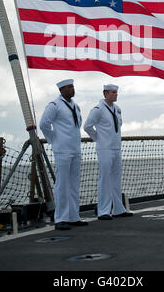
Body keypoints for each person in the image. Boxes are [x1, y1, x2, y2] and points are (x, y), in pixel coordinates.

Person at [39, 79, 88, 230]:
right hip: (63, 150)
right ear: (61, 90)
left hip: (75, 149)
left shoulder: (75, 106)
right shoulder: (54, 106)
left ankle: (74, 216)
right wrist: (54, 140)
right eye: (69, 87)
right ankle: (60, 218)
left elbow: (76, 126)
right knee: (62, 185)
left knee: (74, 184)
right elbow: (44, 124)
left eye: (73, 86)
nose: (72, 89)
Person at [84, 84, 133, 220]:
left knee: (116, 179)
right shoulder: (98, 110)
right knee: (105, 179)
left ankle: (118, 209)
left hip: (116, 147)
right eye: (112, 92)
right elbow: (87, 126)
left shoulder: (117, 109)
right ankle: (103, 211)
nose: (115, 95)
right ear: (105, 94)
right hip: (104, 148)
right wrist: (98, 139)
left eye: (116, 93)